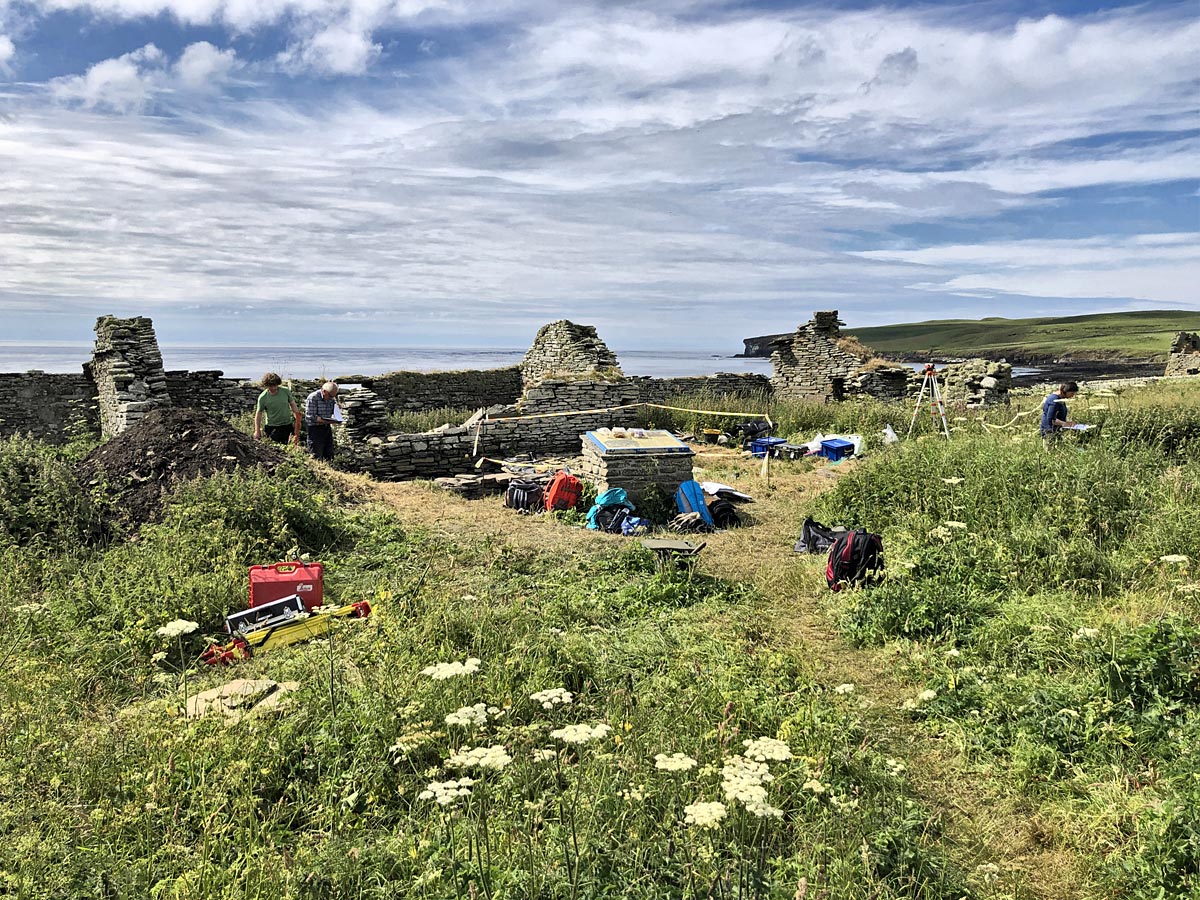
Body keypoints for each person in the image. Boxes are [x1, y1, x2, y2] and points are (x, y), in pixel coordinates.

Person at [253, 373, 301, 445]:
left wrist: (297, 418)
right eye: (270, 386)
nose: (273, 388)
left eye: (275, 385)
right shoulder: (263, 397)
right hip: (272, 427)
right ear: (266, 385)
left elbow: (293, 404)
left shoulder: (285, 391)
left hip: (287, 425)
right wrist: (257, 431)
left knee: (290, 446)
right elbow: (258, 414)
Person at [304, 381, 341, 460]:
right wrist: (331, 421)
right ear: (324, 391)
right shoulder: (313, 398)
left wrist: (338, 411)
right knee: (316, 454)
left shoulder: (331, 399)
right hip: (315, 429)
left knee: (329, 454)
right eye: (330, 396)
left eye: (333, 396)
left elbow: (334, 412)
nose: (332, 398)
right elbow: (312, 417)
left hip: (326, 428)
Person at [1041, 381, 1079, 447]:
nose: (1072, 396)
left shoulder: (1061, 399)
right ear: (1065, 391)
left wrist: (1068, 423)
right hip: (1050, 430)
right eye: (1072, 393)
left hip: (1057, 429)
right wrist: (1066, 424)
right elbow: (1051, 419)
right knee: (1050, 451)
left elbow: (1058, 415)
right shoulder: (1054, 400)